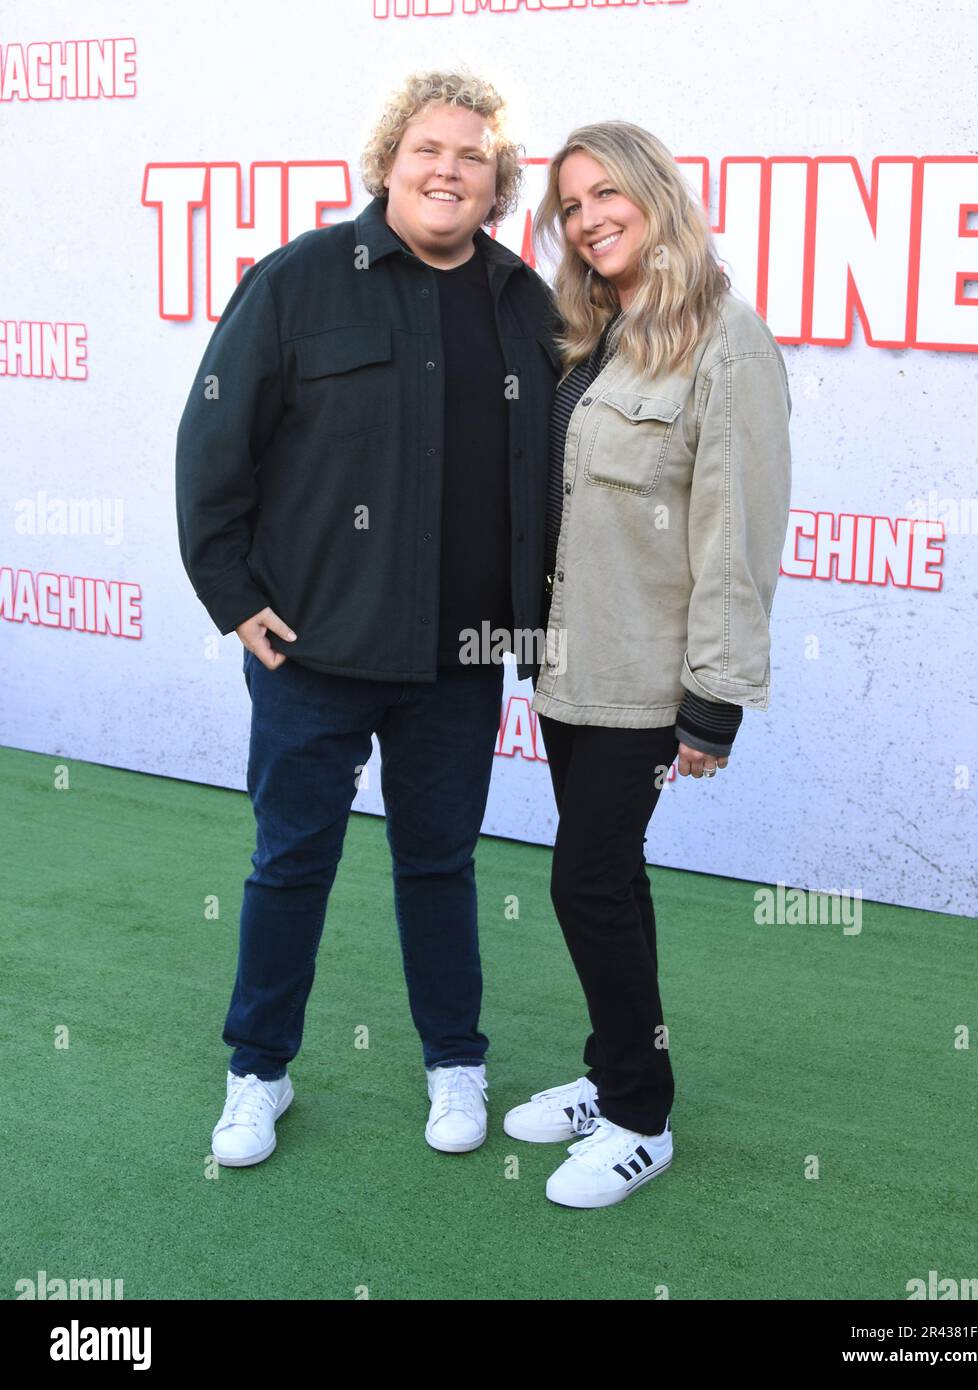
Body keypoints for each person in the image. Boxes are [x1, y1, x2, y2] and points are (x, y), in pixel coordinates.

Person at [175, 70, 560, 1167]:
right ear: (388, 161)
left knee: (439, 861)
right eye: (428, 149)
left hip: (462, 652)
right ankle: (258, 1073)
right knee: (291, 860)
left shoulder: (525, 302)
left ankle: (455, 1062)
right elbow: (212, 446)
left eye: (472, 156)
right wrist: (231, 592)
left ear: (497, 183)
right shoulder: (297, 281)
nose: (449, 169)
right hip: (314, 647)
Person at [501, 122, 793, 1208]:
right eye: (569, 205)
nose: (587, 218)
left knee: (583, 882)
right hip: (571, 669)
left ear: (655, 194)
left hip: (648, 679)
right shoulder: (591, 333)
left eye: (604, 193)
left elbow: (737, 534)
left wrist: (713, 702)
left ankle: (637, 1116)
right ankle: (615, 1065)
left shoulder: (727, 342)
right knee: (611, 879)